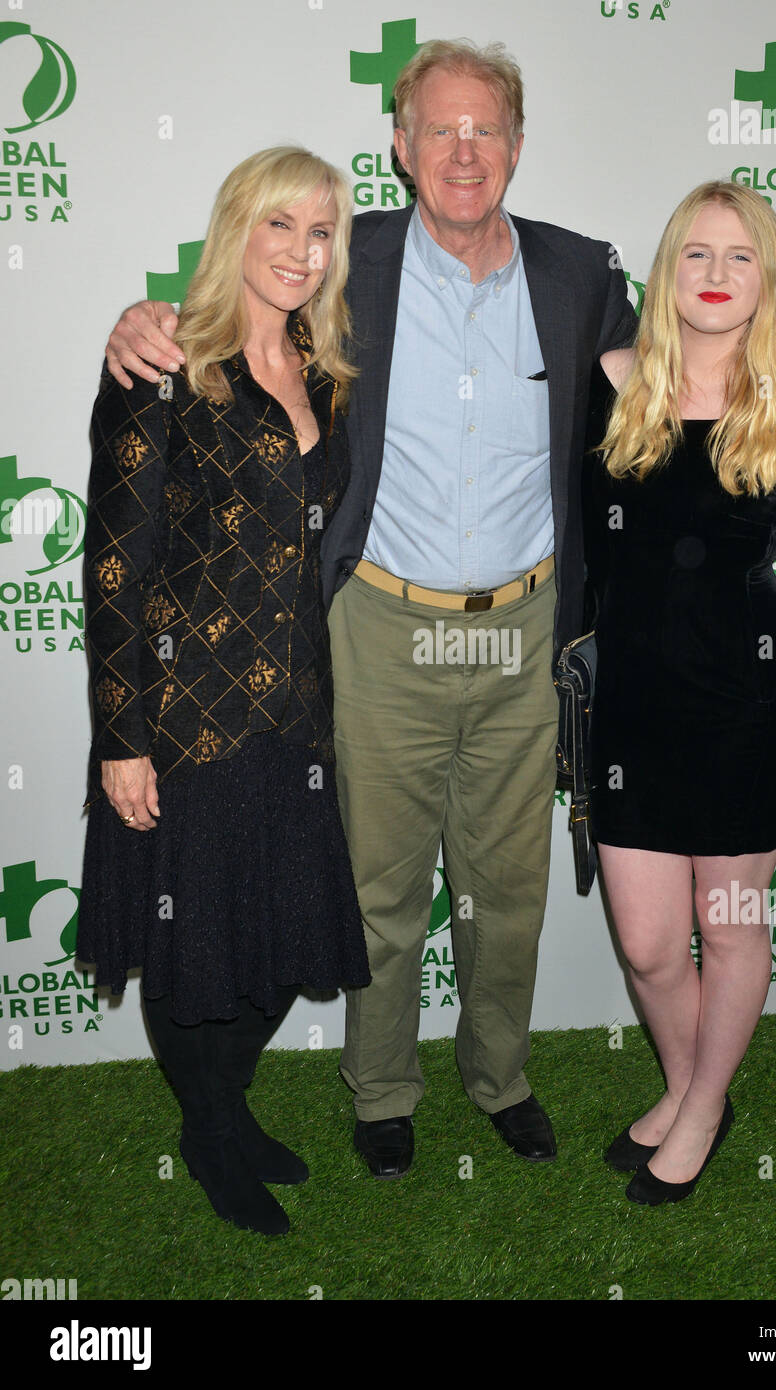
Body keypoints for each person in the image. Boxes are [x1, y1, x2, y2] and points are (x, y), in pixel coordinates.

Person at [103, 40, 637, 1179]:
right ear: (400, 145)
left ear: (518, 147)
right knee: (380, 888)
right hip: (380, 626)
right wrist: (136, 322)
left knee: (510, 890)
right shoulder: (350, 264)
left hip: (524, 627)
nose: (462, 152)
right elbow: (224, 311)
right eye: (437, 129)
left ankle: (500, 1076)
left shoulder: (579, 275)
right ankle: (381, 1091)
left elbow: (663, 390)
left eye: (484, 130)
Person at [76, 146, 370, 1235]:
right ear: (236, 230)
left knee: (284, 941)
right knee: (194, 942)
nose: (302, 250)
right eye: (280, 226)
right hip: (182, 711)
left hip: (296, 706)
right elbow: (114, 563)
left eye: (323, 230)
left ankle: (221, 1105)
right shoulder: (165, 363)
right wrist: (122, 737)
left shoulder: (324, 366)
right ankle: (211, 1133)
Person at [587, 180, 776, 1205]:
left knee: (733, 924)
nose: (714, 275)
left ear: (767, 277)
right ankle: (689, 1079)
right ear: (667, 271)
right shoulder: (610, 382)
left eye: (739, 257)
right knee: (651, 944)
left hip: (749, 711)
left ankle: (700, 1107)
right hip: (632, 711)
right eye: (695, 254)